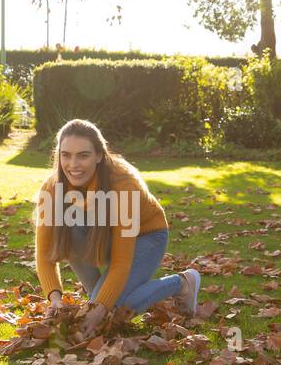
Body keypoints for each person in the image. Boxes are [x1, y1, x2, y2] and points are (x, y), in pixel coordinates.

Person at [33, 118, 199, 335]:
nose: (73, 165)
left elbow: (121, 262)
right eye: (66, 155)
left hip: (146, 236)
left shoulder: (124, 184)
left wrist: (100, 307)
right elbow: (44, 255)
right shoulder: (52, 188)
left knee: (111, 310)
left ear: (100, 156)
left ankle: (183, 283)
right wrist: (55, 299)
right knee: (100, 307)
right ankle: (100, 297)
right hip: (102, 236)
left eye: (83, 155)